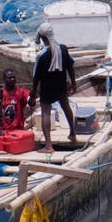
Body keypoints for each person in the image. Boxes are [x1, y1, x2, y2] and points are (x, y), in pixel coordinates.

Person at [29, 21, 77, 151]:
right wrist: (73, 83)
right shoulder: (63, 49)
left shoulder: (42, 55)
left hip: (47, 88)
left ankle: (49, 145)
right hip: (61, 85)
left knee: (45, 113)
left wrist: (32, 93)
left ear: (42, 37)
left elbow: (36, 77)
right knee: (66, 107)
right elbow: (70, 67)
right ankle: (73, 133)